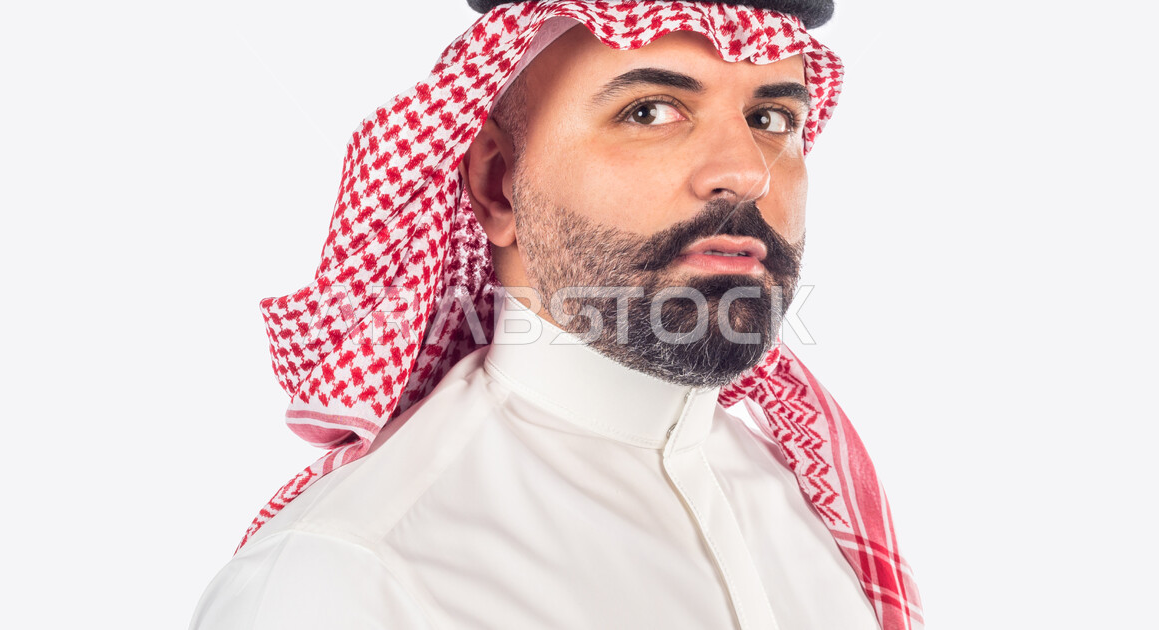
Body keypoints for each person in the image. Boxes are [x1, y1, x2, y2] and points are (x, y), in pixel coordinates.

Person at [191, 1, 923, 628]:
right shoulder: (352, 579)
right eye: (649, 111)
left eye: (770, 117)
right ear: (497, 185)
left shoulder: (807, 498)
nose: (746, 171)